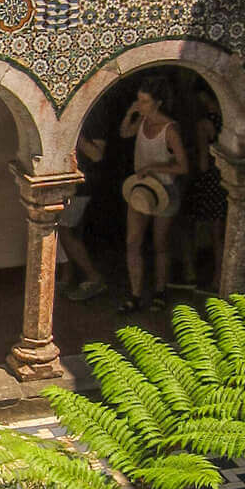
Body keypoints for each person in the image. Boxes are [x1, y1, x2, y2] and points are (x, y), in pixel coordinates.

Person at [119, 75, 187, 313]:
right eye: (139, 100)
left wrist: (154, 168)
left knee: (160, 243)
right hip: (141, 189)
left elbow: (183, 166)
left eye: (145, 101)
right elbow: (124, 133)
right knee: (133, 242)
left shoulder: (170, 130)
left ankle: (160, 291)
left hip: (164, 190)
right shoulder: (142, 120)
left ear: (157, 103)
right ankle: (135, 294)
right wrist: (131, 113)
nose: (141, 105)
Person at [61, 125, 110, 302]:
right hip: (67, 182)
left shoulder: (96, 119)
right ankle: (67, 277)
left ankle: (93, 277)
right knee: (66, 231)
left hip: (80, 186)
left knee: (65, 232)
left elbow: (96, 155)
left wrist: (72, 132)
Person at [186, 84, 228, 288]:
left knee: (214, 232)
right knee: (222, 231)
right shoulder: (229, 121)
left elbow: (203, 162)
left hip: (211, 181)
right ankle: (220, 275)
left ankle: (216, 277)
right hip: (227, 179)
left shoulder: (203, 124)